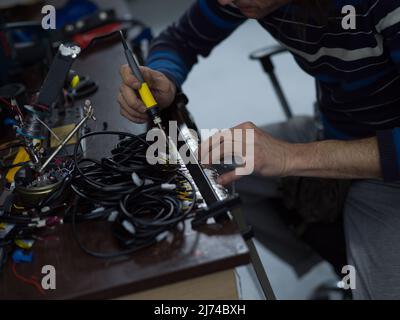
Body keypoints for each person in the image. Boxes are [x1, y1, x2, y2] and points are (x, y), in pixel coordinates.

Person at [118, 0, 400, 299]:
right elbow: (182, 38)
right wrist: (164, 78)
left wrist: (293, 157)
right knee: (217, 174)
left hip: (389, 169)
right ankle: (337, 268)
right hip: (335, 128)